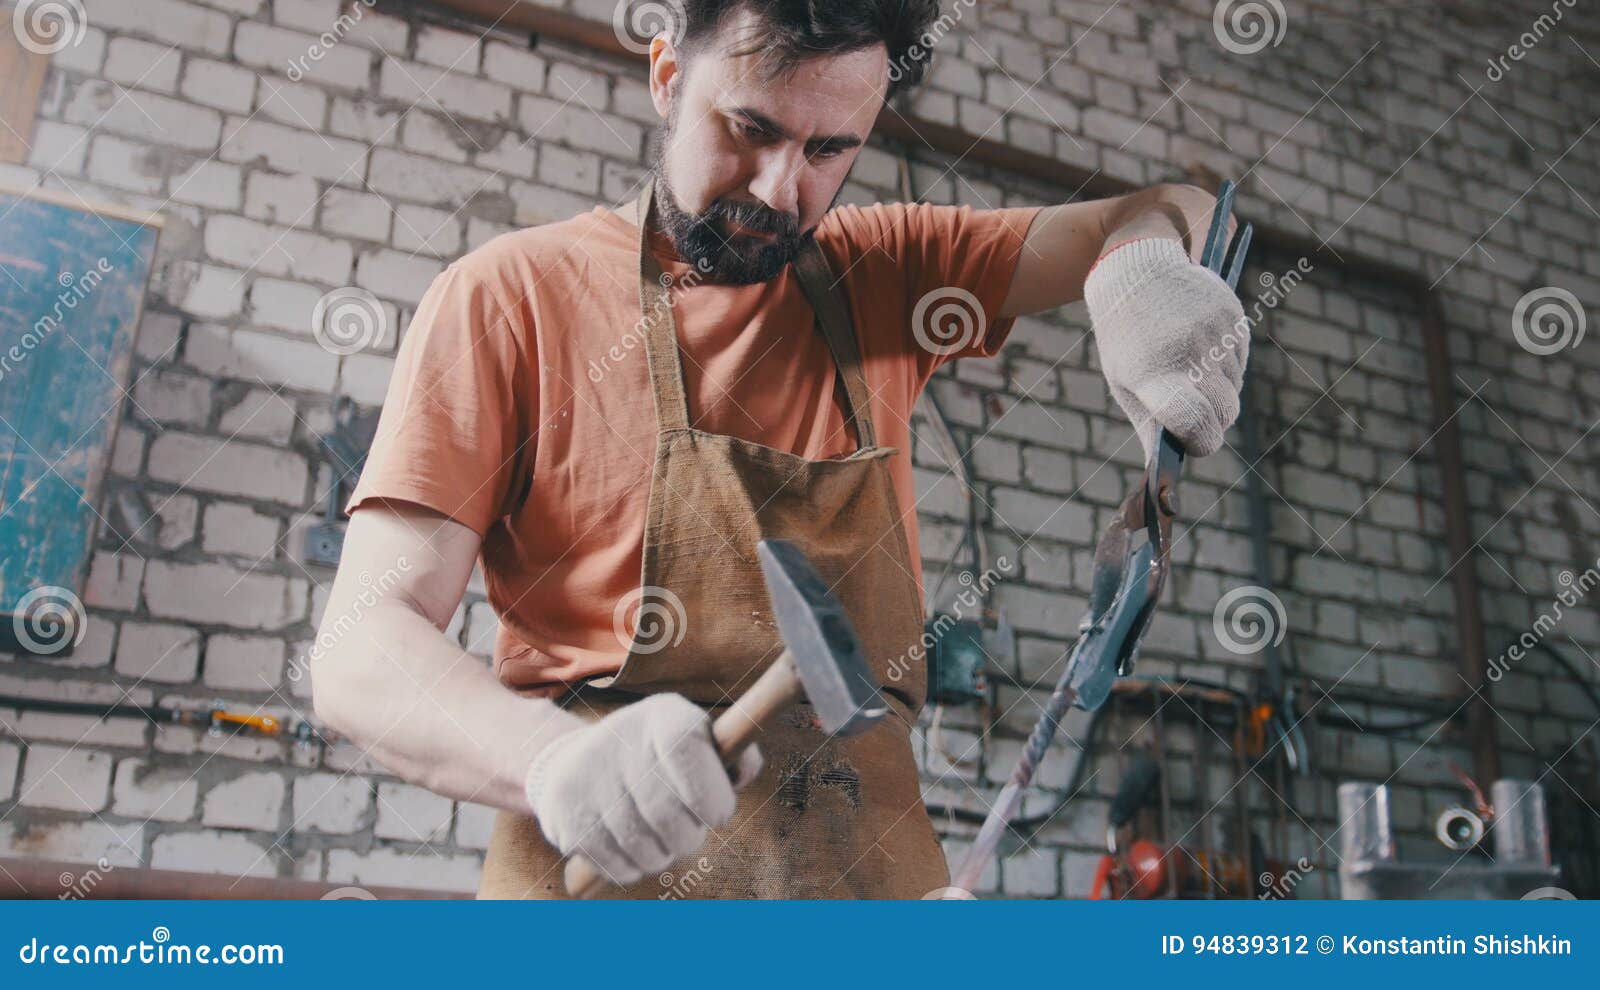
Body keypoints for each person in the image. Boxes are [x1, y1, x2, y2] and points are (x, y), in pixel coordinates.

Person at [311, 0, 1246, 898]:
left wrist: (1141, 273)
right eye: (750, 128)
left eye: (829, 149)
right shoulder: (508, 299)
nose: (777, 190)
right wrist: (549, 764)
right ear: (668, 72)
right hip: (602, 908)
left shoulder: (891, 277)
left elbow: (1178, 207)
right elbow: (360, 649)